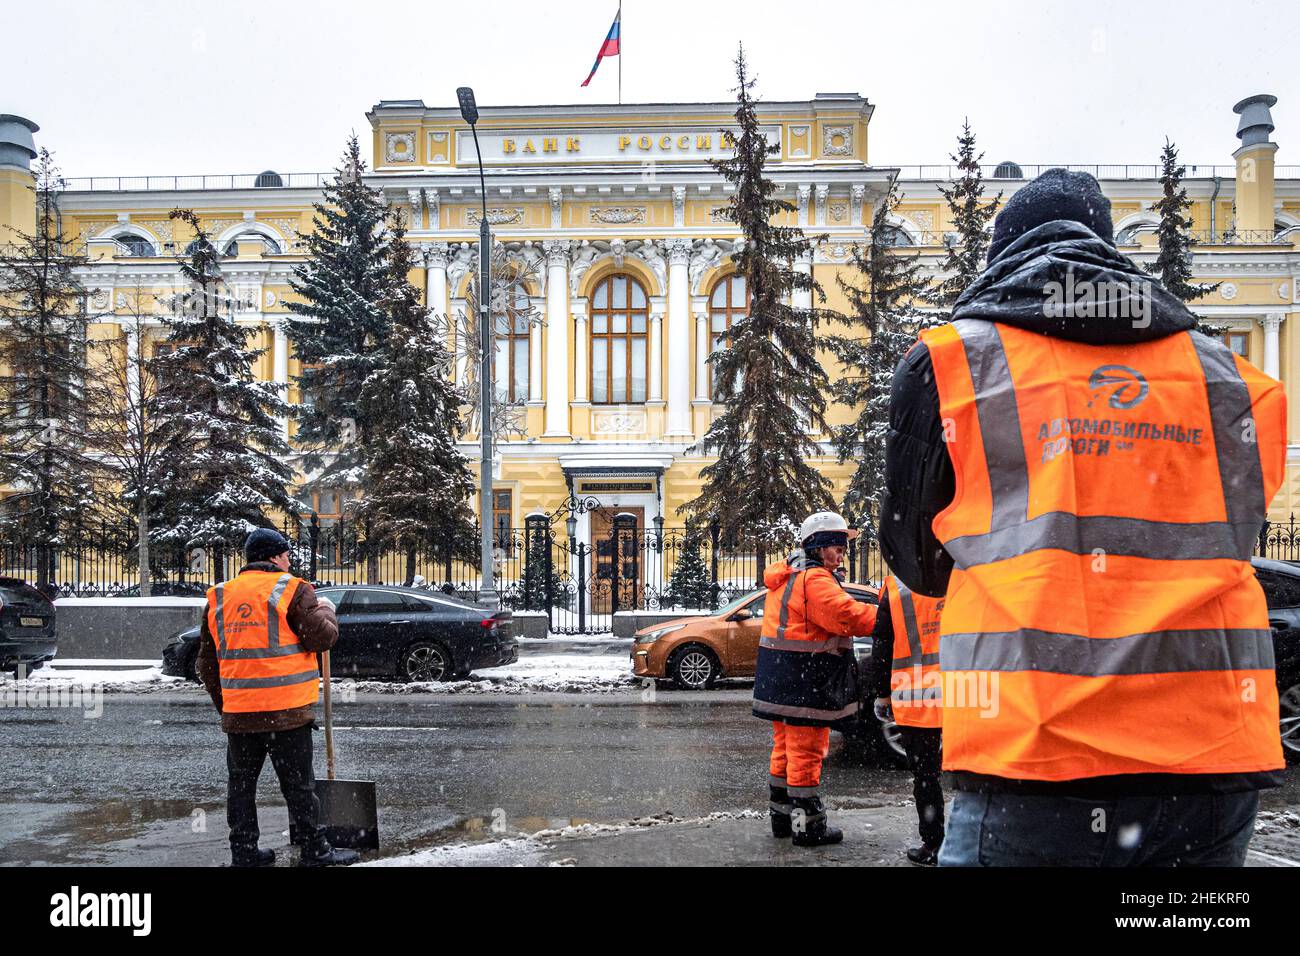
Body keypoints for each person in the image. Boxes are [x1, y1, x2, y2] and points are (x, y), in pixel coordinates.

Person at [880, 168, 1287, 867]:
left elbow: (916, 560)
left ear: (1001, 256)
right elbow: (1232, 534)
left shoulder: (949, 365)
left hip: (1034, 757)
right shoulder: (1230, 379)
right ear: (1108, 251)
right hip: (1212, 759)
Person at [197, 528, 360, 867]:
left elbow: (207, 665)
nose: (289, 560)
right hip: (287, 714)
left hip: (240, 717)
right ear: (274, 556)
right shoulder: (292, 589)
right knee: (299, 785)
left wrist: (227, 706)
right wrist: (326, 609)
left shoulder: (219, 596)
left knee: (241, 787)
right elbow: (323, 638)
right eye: (285, 554)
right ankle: (315, 849)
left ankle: (243, 853)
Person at [753, 512, 877, 847]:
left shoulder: (787, 575)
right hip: (807, 680)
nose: (841, 553)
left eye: (843, 547)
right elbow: (847, 617)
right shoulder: (815, 580)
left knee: (785, 750)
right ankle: (808, 827)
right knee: (806, 753)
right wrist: (888, 616)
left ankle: (782, 819)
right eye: (835, 546)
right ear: (818, 547)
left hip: (781, 679)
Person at [868, 575, 945, 865]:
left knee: (926, 776)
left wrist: (882, 695)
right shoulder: (962, 568)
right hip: (963, 688)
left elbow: (883, 644)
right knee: (970, 770)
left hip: (916, 695)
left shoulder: (897, 588)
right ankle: (972, 838)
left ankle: (934, 844)